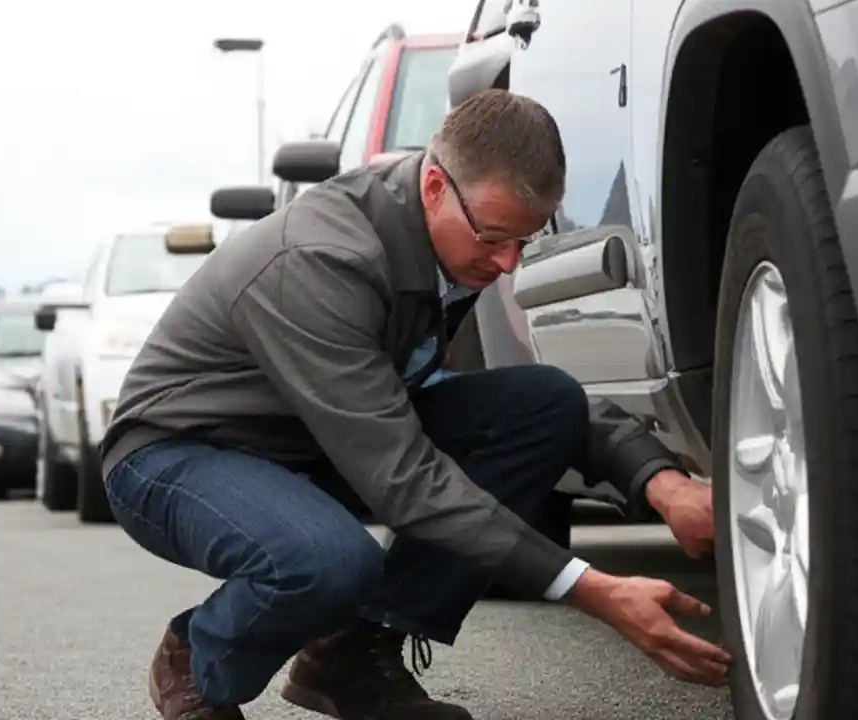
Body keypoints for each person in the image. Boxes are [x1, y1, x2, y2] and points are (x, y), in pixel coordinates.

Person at [100, 88, 731, 720]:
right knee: (327, 561)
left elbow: (506, 413)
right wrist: (593, 589)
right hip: (177, 454)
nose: (508, 264)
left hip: (312, 441)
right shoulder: (322, 261)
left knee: (546, 406)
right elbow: (404, 478)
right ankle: (198, 660)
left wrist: (658, 480)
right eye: (493, 236)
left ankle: (348, 658)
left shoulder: (444, 237)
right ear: (434, 187)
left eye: (526, 241)